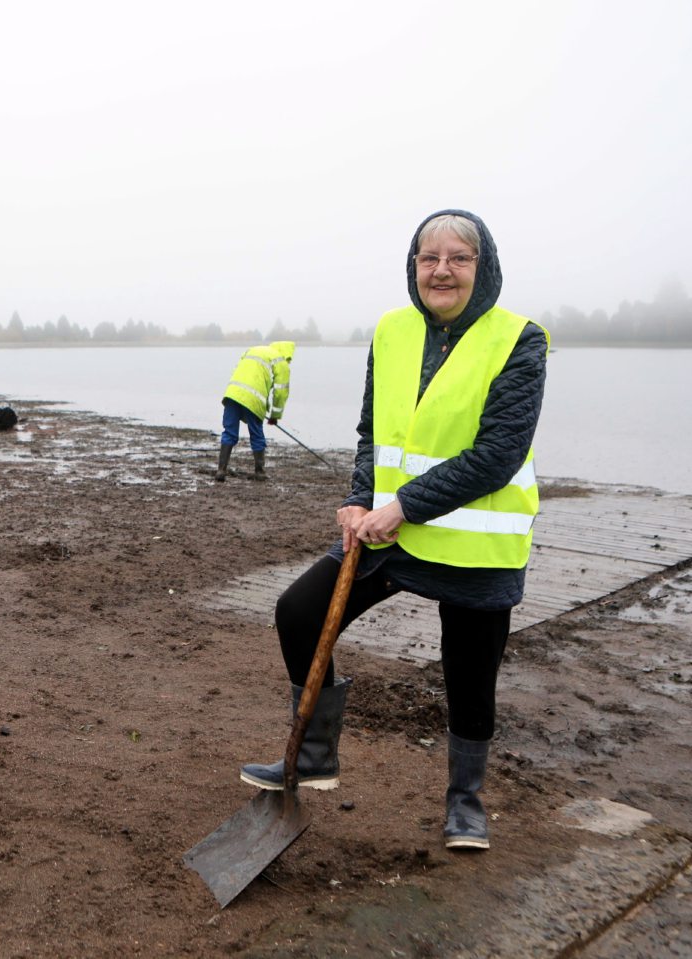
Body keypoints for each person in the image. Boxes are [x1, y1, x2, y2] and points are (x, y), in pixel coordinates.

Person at [238, 210, 548, 852]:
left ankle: (466, 802)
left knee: (469, 674)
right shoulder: (391, 331)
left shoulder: (520, 339)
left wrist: (402, 505)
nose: (442, 269)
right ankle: (315, 754)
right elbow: (372, 432)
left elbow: (500, 452)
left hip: (475, 543)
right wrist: (359, 500)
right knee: (299, 611)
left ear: (482, 266)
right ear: (413, 266)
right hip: (388, 532)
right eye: (428, 257)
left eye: (458, 257)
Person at [216, 340, 294, 481]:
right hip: (253, 399)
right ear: (288, 354)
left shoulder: (254, 350)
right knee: (256, 433)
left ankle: (221, 470)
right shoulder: (280, 361)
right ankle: (260, 471)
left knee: (229, 432)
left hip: (232, 393)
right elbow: (281, 393)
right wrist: (274, 415)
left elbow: (244, 374)